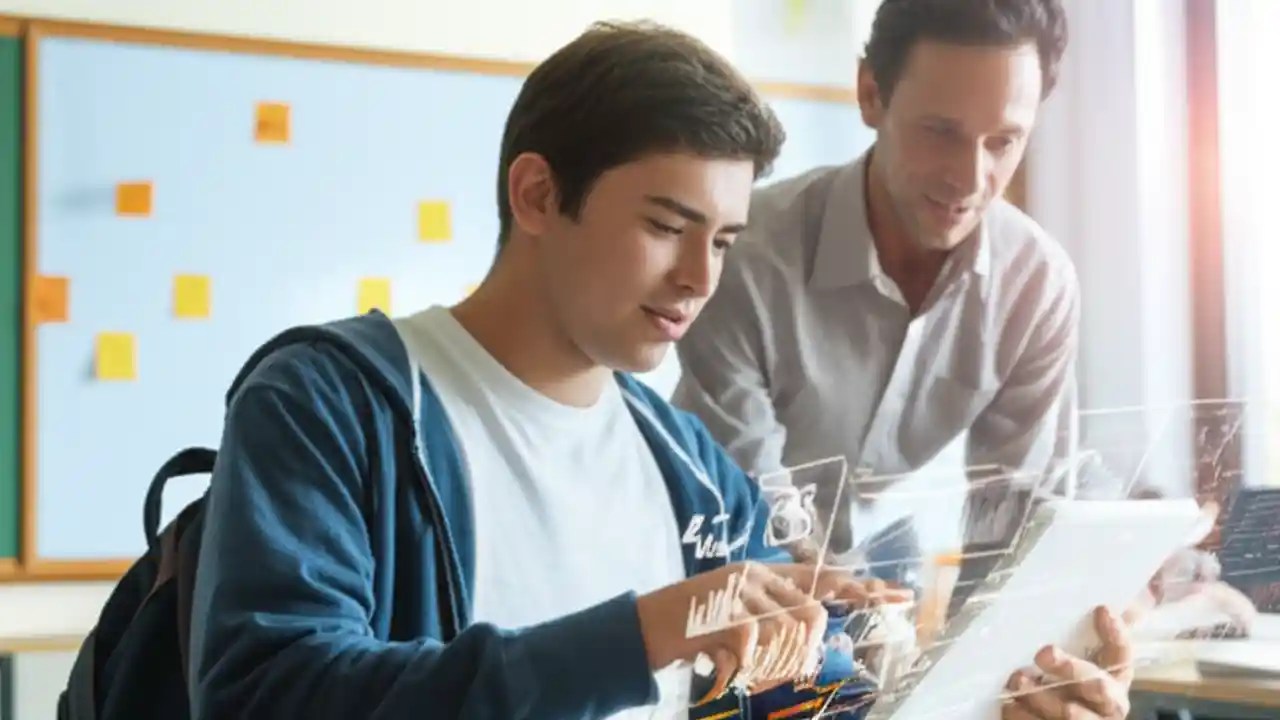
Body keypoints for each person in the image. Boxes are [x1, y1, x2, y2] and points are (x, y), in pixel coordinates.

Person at [186, 20, 907, 720]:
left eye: (722, 242)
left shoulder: (691, 467)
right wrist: (639, 635)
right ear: (536, 194)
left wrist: (950, 693)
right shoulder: (332, 403)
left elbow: (794, 702)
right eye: (665, 227)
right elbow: (267, 692)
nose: (699, 278)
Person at [672, 1, 1144, 718]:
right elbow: (754, 514)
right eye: (940, 132)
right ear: (870, 94)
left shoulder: (1036, 285)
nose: (970, 176)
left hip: (877, 600)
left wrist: (1014, 670)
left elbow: (1015, 524)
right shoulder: (745, 254)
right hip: (724, 597)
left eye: (1004, 141)